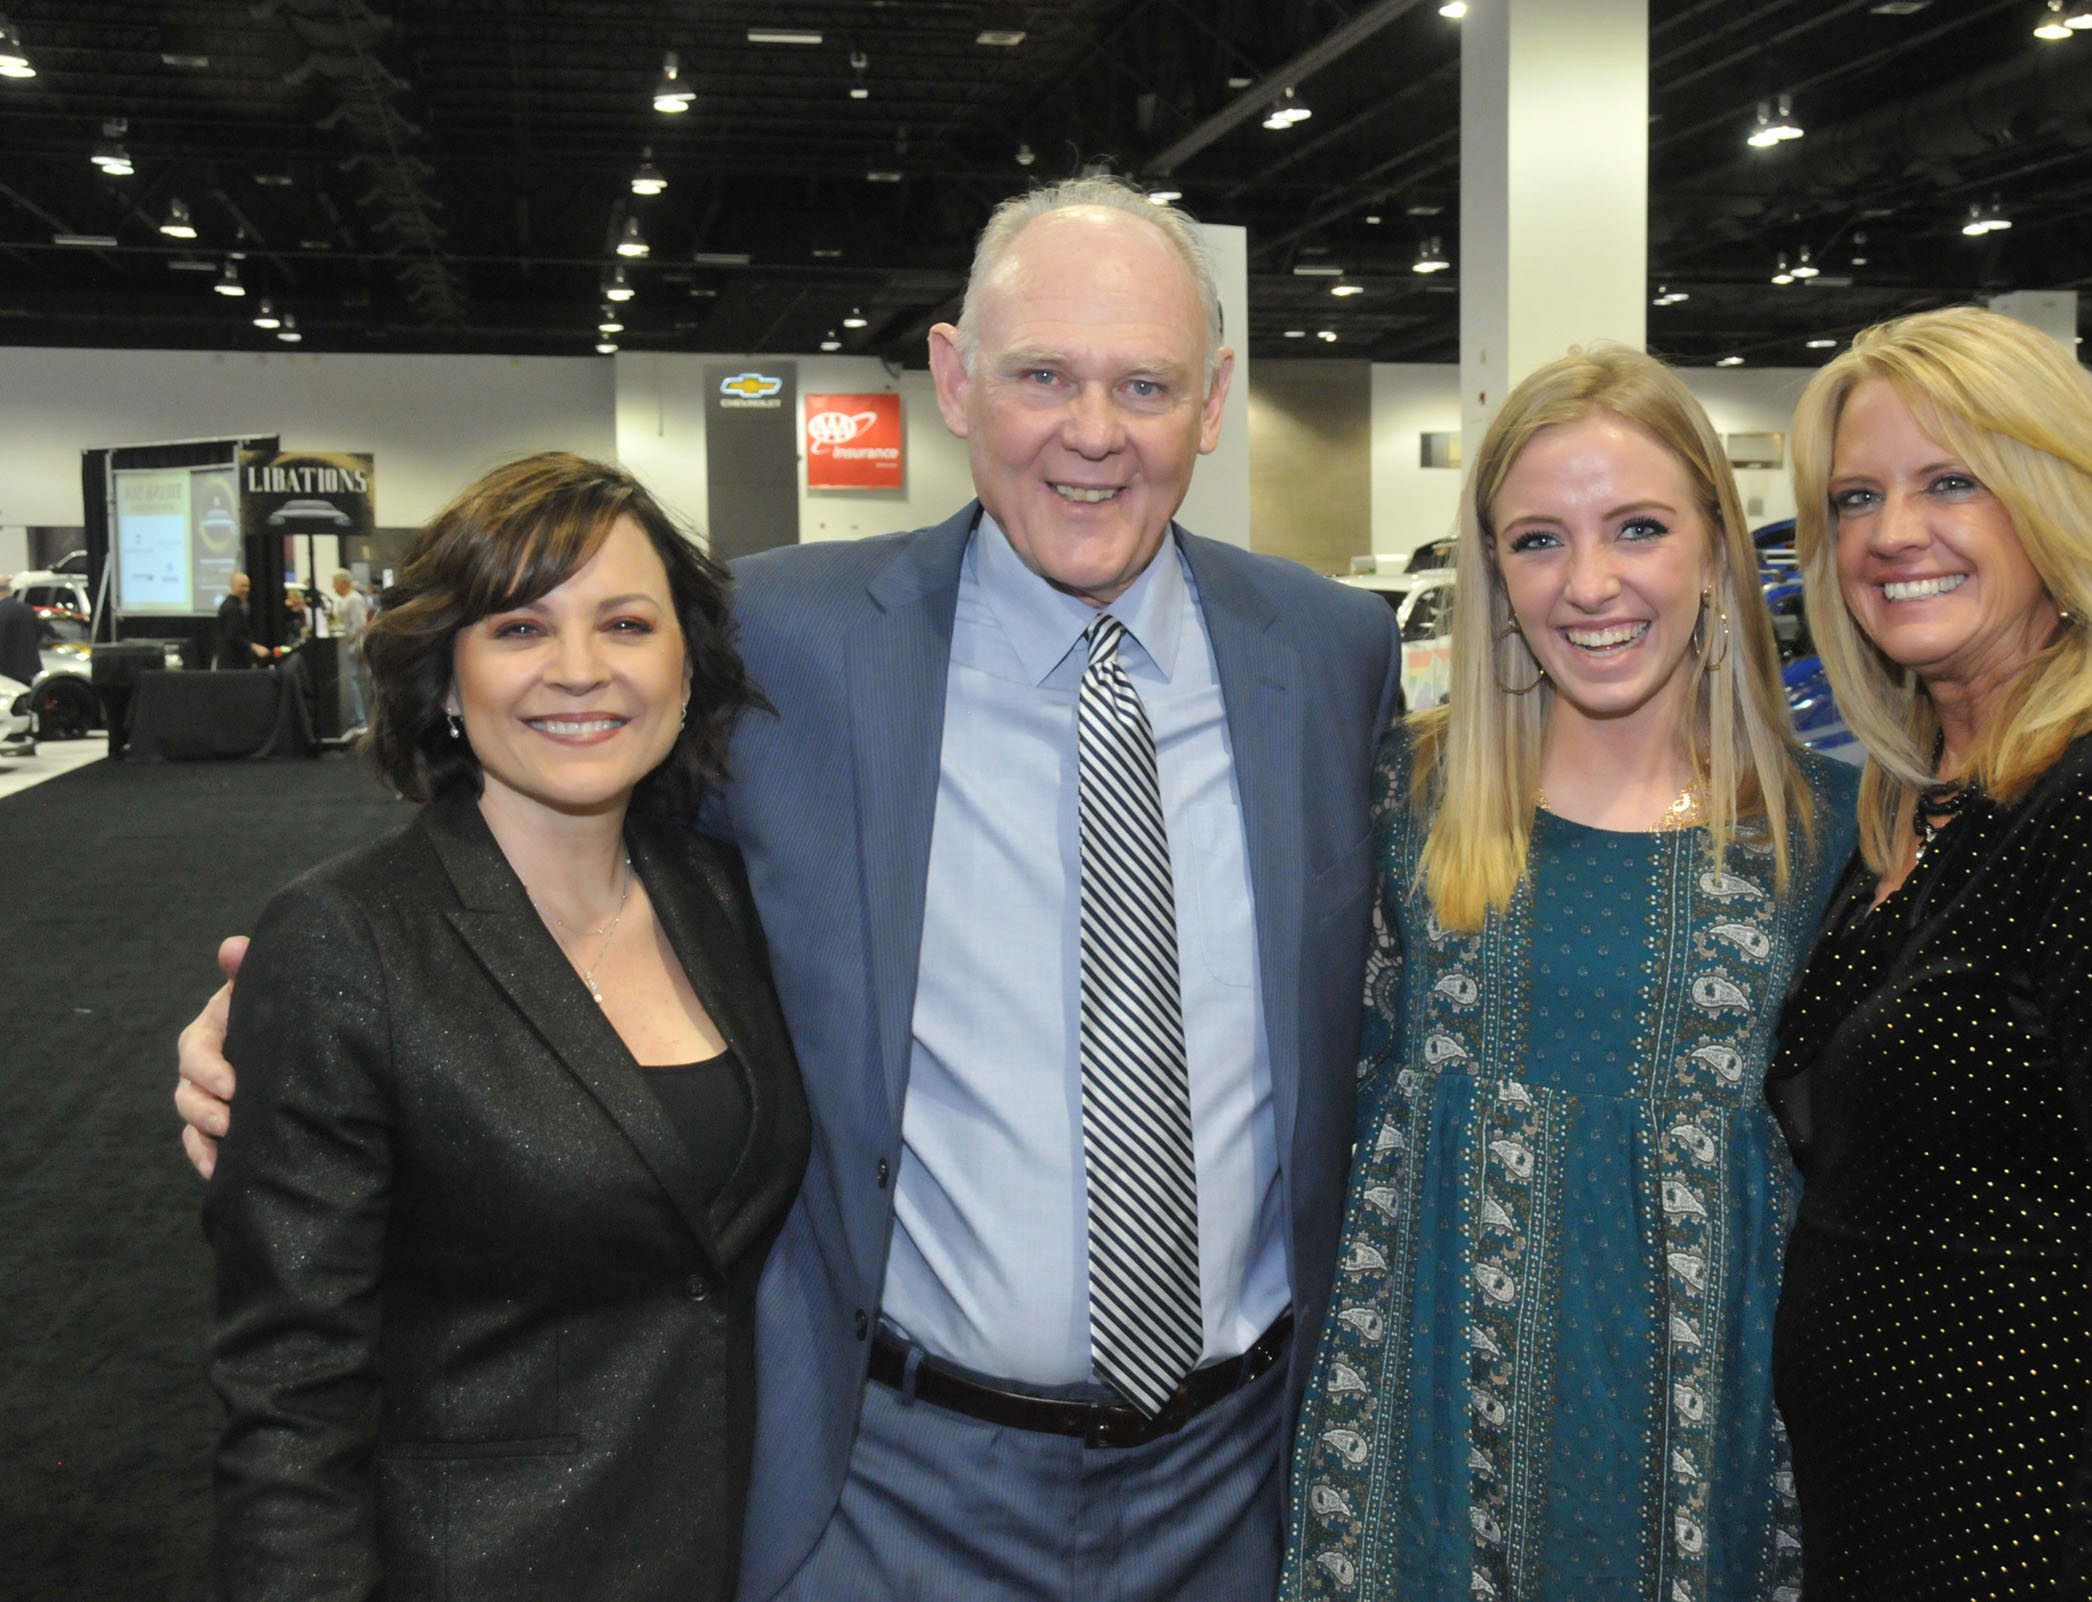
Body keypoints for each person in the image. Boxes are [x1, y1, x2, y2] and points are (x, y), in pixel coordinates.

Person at [180, 176, 1401, 1602]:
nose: (1093, 431)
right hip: (888, 1488)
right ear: (954, 378)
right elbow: (530, 831)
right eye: (1041, 376)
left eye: (1145, 382)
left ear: (1213, 397)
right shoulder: (783, 641)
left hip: (1242, 1475)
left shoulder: (1329, 655)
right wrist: (297, 1028)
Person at [1282, 349, 1856, 1601]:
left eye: (1637, 528)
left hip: (1712, 1434)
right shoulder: (1402, 797)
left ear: (1713, 543)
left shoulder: (1838, 836)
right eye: (1538, 540)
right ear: (1493, 570)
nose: (1588, 584)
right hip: (1429, 1428)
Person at [205, 454, 812, 1601]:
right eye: (521, 629)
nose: (581, 671)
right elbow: (288, 1389)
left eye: (627, 623)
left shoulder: (731, 898)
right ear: (446, 679)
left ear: (685, 664)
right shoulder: (348, 939)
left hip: (742, 1549)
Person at [1766, 306, 2092, 1599]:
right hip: (1896, 1523)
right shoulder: (1933, 799)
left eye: (1953, 482)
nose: (1892, 534)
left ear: (2059, 504)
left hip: (2043, 1548)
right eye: (1857, 497)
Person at [0, 575, 40, 754]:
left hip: (7, 668)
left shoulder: (1, 612)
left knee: (10, 707)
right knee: (27, 705)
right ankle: (28, 739)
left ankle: (13, 739)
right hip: (29, 666)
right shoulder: (27, 609)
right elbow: (39, 634)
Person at [328, 567, 371, 733]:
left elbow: (360, 623)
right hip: (348, 645)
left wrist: (349, 640)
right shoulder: (346, 600)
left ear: (341, 582)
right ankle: (354, 719)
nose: (333, 587)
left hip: (352, 647)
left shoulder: (354, 599)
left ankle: (360, 720)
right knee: (350, 681)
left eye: (334, 583)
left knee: (352, 681)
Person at [215, 571, 268, 669]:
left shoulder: (236, 605)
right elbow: (234, 635)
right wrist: (254, 647)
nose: (246, 590)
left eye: (248, 586)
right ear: (233, 585)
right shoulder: (231, 607)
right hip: (231, 664)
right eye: (243, 586)